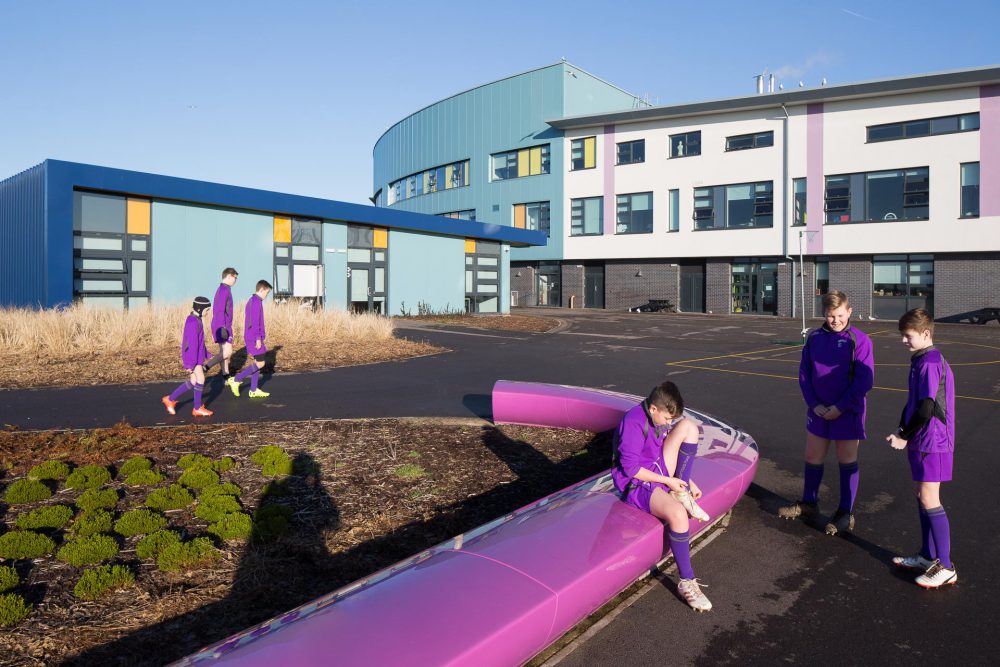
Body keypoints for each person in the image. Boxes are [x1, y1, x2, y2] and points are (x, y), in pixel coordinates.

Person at [779, 290, 874, 535]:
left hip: (848, 410)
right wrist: (814, 404)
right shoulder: (814, 338)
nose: (836, 320)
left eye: (840, 315)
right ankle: (809, 503)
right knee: (813, 456)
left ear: (849, 311)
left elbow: (864, 381)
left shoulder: (860, 340)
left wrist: (840, 407)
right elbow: (804, 374)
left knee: (846, 459)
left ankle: (845, 513)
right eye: (831, 316)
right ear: (824, 314)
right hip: (819, 410)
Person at [612, 381, 712, 612]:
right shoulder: (633, 422)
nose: (669, 423)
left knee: (689, 427)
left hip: (655, 469)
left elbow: (661, 450)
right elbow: (630, 469)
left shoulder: (658, 417)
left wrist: (683, 479)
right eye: (668, 419)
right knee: (677, 514)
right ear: (653, 409)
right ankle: (687, 582)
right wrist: (668, 481)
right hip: (634, 482)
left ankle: (682, 490)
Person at [886, 308, 957, 588]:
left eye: (908, 336)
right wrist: (901, 429)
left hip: (934, 441)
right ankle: (929, 556)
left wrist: (905, 434)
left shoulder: (929, 361)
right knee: (922, 495)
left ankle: (947, 566)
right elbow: (914, 402)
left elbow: (927, 407)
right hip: (921, 438)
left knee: (930, 499)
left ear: (926, 334)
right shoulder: (920, 359)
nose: (904, 340)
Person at [161, 296, 214, 417]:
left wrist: (207, 353)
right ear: (200, 309)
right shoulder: (192, 322)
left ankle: (170, 399)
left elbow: (200, 342)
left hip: (195, 356)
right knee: (200, 379)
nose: (208, 312)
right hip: (192, 357)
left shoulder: (197, 320)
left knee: (194, 381)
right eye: (207, 310)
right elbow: (190, 344)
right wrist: (190, 363)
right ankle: (197, 408)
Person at [226, 280, 272, 399]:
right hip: (253, 337)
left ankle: (253, 389)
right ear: (261, 289)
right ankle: (236, 380)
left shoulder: (253, 300)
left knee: (258, 362)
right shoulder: (256, 302)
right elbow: (254, 322)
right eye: (266, 293)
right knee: (261, 363)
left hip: (252, 336)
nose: (266, 296)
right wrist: (258, 338)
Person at [204, 267, 238, 377]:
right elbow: (220, 310)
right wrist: (223, 327)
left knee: (223, 351)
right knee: (227, 352)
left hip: (221, 324)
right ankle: (206, 367)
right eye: (235, 278)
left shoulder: (224, 288)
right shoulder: (224, 290)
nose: (235, 280)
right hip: (222, 325)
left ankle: (225, 375)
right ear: (229, 276)